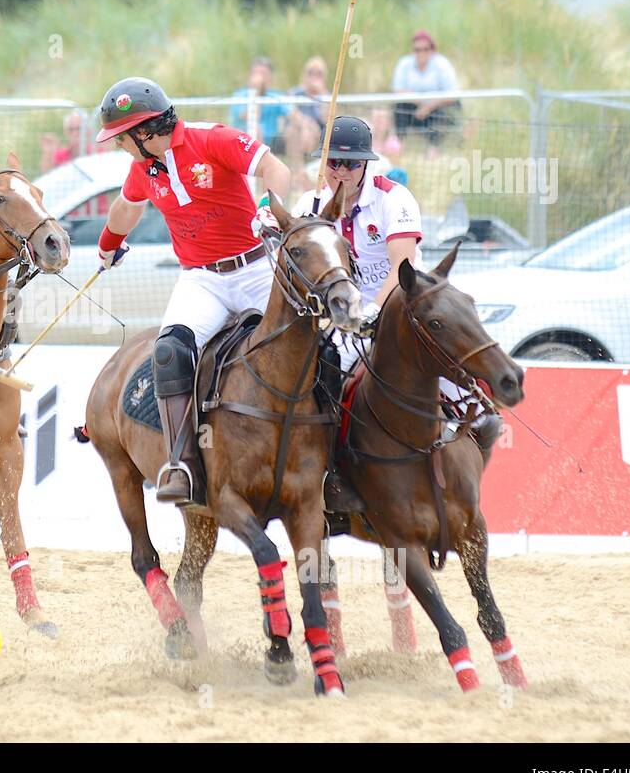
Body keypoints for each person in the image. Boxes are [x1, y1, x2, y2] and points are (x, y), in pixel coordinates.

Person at [95, 76, 292, 505]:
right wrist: (109, 243)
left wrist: (268, 207)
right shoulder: (142, 168)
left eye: (121, 138)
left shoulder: (211, 140)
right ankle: (182, 463)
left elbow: (275, 169)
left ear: (144, 131)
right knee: (169, 351)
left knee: (304, 346)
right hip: (202, 279)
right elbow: (128, 206)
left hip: (255, 268)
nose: (118, 145)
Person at [285, 115, 424, 515]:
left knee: (448, 341)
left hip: (398, 301)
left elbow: (402, 269)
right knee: (319, 370)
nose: (341, 172)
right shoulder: (309, 205)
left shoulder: (393, 198)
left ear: (366, 164)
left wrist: (374, 312)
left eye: (351, 163)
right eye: (334, 163)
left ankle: (463, 418)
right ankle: (328, 467)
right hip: (342, 314)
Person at [386, 30, 462, 153]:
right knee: (400, 106)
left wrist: (429, 106)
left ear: (432, 50)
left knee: (448, 111)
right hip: (414, 108)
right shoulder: (404, 63)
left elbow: (453, 94)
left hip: (438, 108)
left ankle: (434, 148)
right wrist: (422, 104)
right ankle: (398, 144)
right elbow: (398, 91)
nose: (421, 52)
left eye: (425, 49)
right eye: (417, 49)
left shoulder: (442, 64)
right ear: (412, 50)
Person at [284, 56, 329, 190]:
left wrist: (321, 94)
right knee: (294, 131)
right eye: (310, 72)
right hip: (297, 132)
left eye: (319, 73)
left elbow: (329, 119)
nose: (314, 77)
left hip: (318, 135)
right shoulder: (294, 93)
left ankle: (303, 177)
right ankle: (297, 173)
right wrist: (307, 126)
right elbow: (291, 114)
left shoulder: (326, 96)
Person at [228, 57, 290, 153]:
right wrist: (256, 91)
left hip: (272, 141)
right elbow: (249, 117)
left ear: (270, 79)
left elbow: (294, 115)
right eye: (256, 73)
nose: (259, 78)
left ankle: (298, 166)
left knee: (294, 130)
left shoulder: (275, 96)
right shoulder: (239, 95)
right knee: (256, 129)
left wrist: (305, 126)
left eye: (264, 74)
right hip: (244, 141)